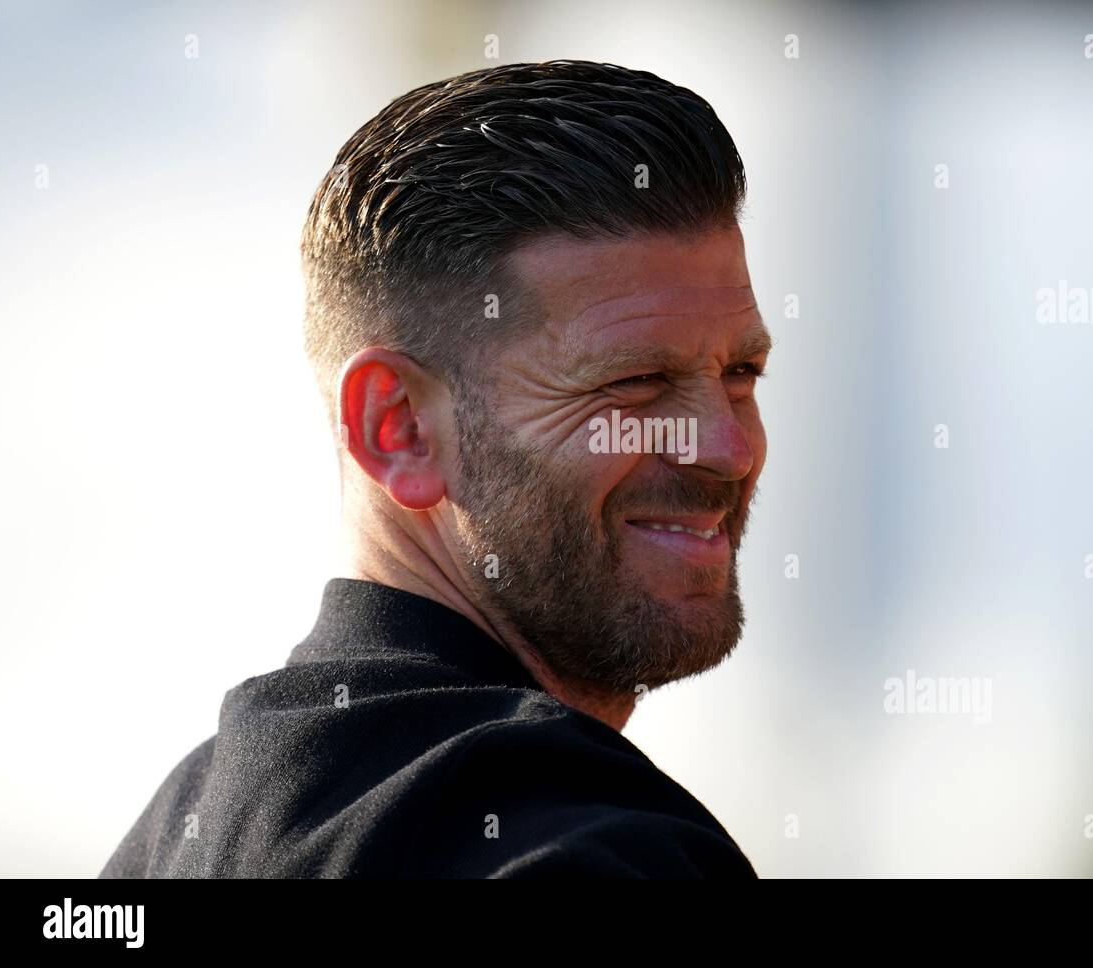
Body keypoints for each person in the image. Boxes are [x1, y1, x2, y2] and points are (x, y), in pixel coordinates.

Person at [100, 59, 770, 878]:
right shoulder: (586, 852)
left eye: (741, 374)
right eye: (634, 383)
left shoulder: (169, 843)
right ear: (400, 428)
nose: (727, 448)